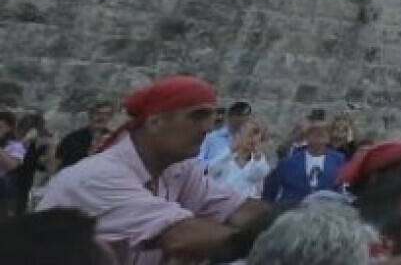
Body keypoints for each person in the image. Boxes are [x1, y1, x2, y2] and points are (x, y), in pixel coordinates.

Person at [37, 76, 270, 265]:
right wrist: (284, 239)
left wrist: (303, 216)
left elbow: (237, 210)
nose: (208, 127)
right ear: (155, 122)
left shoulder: (180, 171)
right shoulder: (97, 177)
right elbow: (179, 236)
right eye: (198, 115)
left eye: (212, 116)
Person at [262, 122, 344, 204]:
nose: (319, 134)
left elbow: (343, 187)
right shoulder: (289, 162)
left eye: (324, 131)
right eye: (315, 132)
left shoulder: (339, 159)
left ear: (328, 137)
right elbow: (270, 190)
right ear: (307, 137)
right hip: (293, 210)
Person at [204, 120, 271, 199]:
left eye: (255, 137)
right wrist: (230, 149)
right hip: (218, 204)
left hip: (243, 208)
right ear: (237, 135)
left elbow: (259, 173)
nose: (250, 140)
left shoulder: (258, 164)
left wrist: (258, 154)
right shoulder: (225, 157)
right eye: (248, 135)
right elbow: (210, 170)